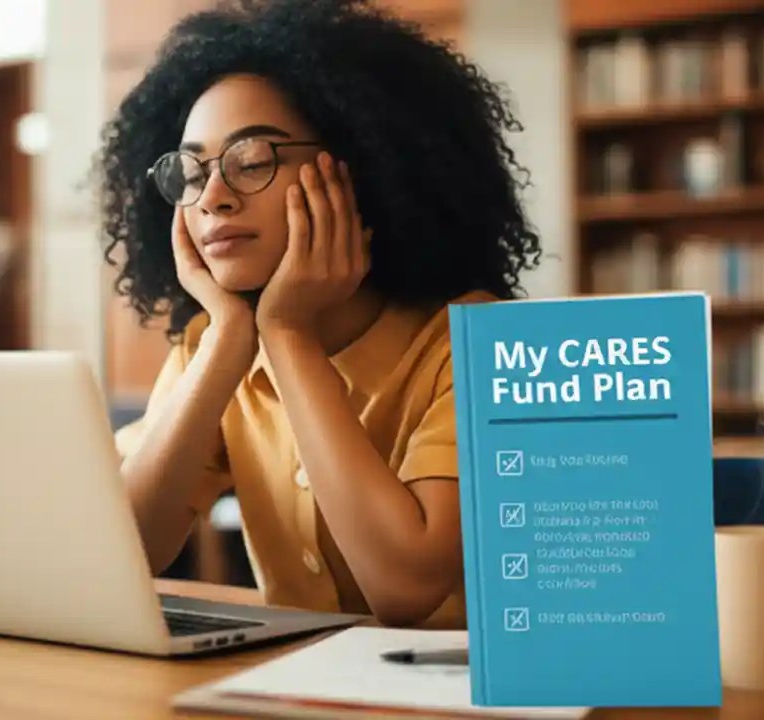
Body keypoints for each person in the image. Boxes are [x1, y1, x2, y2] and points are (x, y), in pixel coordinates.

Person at [95, 0, 541, 628]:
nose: (214, 197)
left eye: (252, 161)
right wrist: (227, 337)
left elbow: (404, 587)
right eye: (191, 172)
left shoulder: (485, 347)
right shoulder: (212, 348)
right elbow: (120, 550)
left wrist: (287, 335)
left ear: (362, 169)